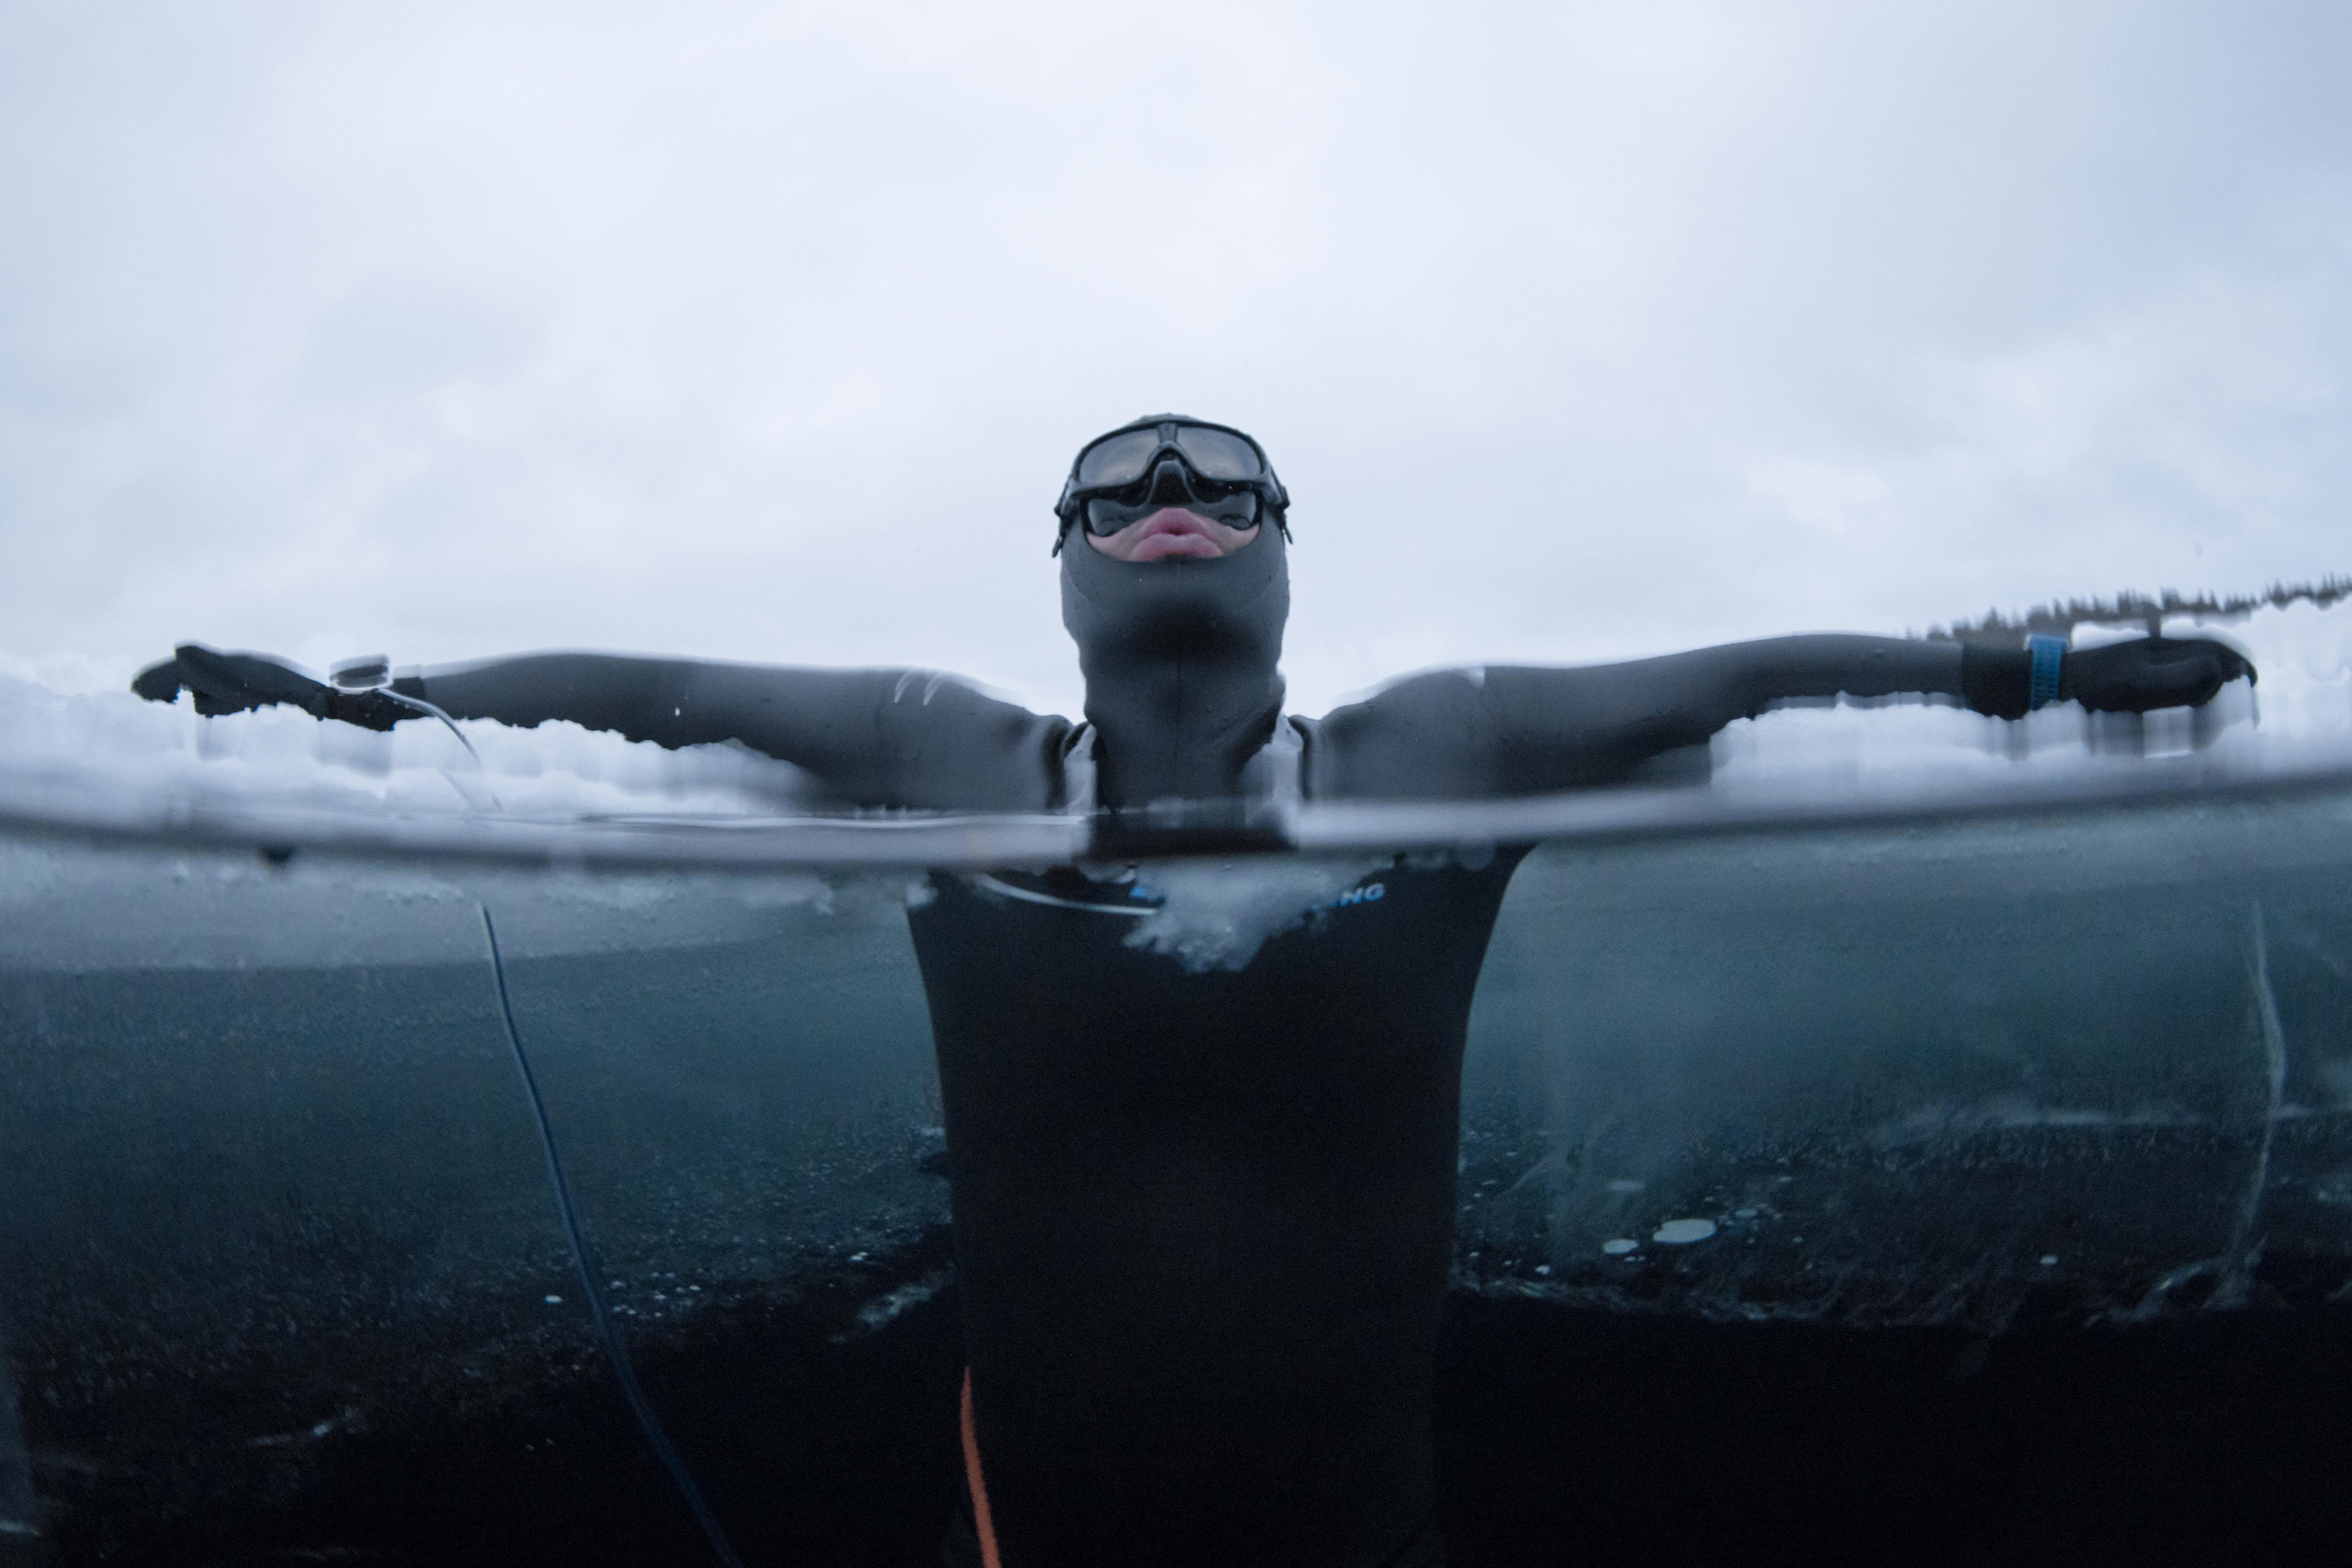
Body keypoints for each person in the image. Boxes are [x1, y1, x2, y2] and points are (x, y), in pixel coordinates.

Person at [135, 414, 2254, 1568]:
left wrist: (2039, 669)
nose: (1168, 500)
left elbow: (1753, 670)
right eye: (1122, 484)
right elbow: (652, 682)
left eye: (1217, 480)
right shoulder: (946, 753)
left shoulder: (1438, 748)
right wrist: (368, 699)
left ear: (1283, 556)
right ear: (1062, 563)